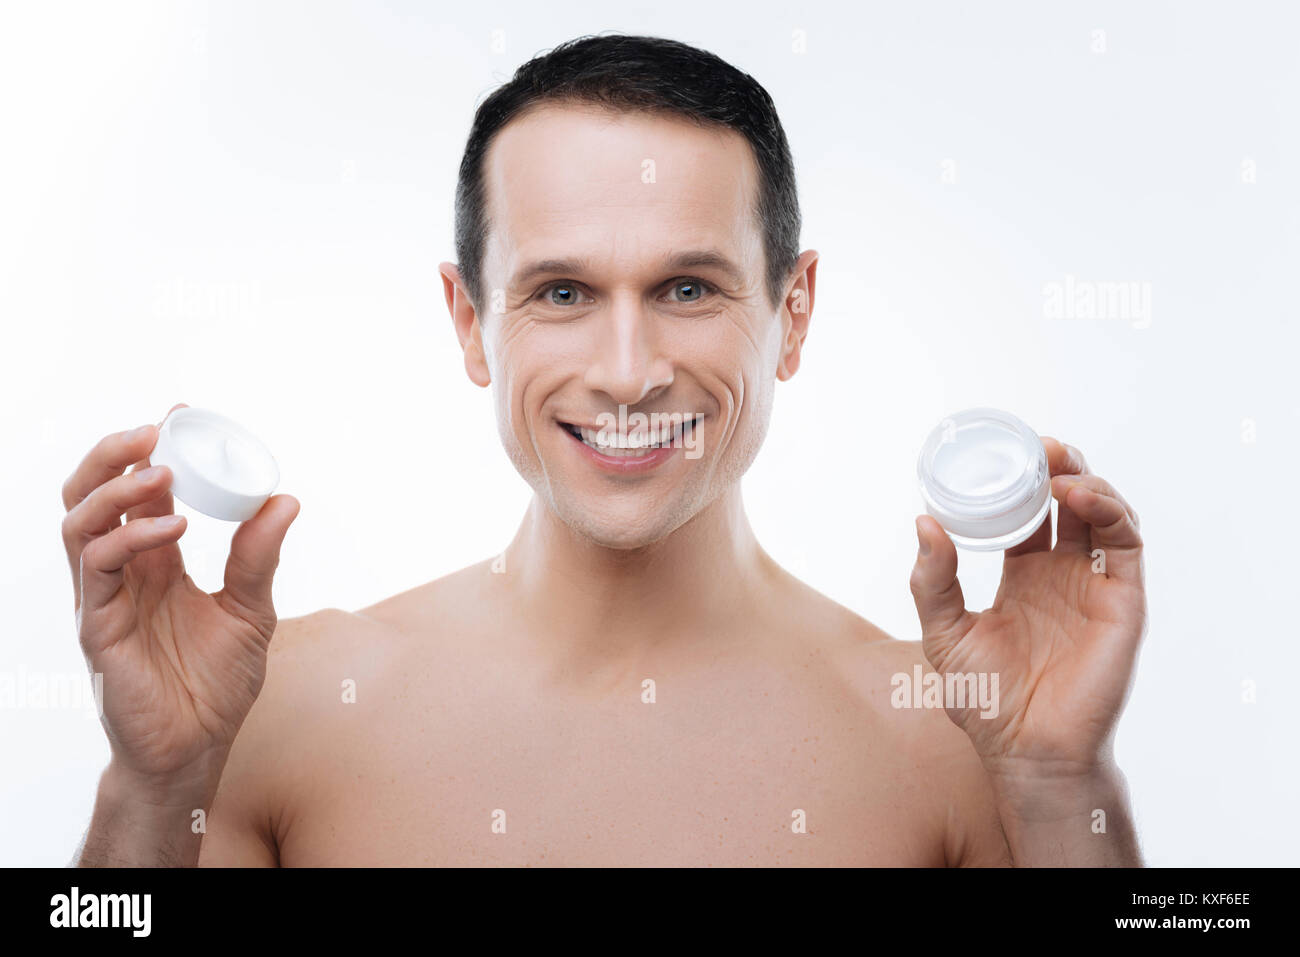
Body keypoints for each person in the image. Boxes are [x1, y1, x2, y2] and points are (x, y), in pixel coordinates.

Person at [65, 34, 1145, 866]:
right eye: (564, 292)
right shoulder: (275, 712)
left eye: (687, 288)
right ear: (468, 320)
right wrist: (154, 788)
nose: (628, 371)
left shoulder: (951, 744)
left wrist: (1059, 782)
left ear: (794, 310)